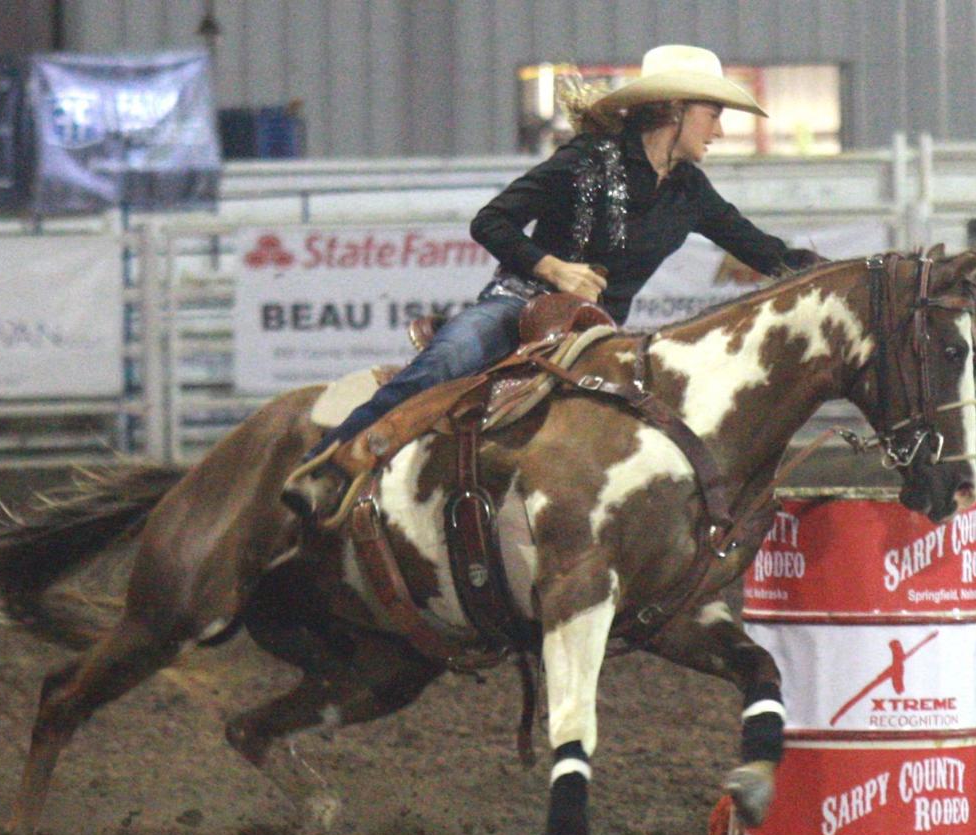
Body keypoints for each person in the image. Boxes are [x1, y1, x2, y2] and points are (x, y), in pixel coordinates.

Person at [282, 44, 824, 520]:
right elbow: (490, 221)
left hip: (596, 336)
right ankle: (329, 464)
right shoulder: (585, 160)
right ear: (676, 111)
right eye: (713, 113)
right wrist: (551, 267)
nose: (721, 129)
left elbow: (762, 250)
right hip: (519, 308)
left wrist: (839, 277)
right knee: (449, 360)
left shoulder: (690, 191)